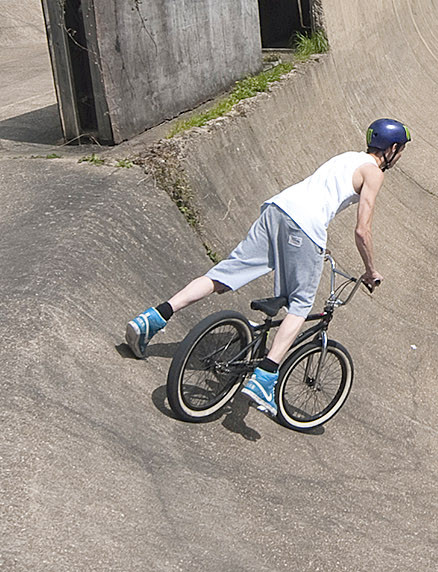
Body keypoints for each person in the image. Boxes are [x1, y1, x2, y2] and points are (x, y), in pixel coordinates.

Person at [124, 119, 410, 414]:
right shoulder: (373, 172)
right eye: (400, 151)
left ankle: (153, 318)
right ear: (393, 148)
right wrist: (370, 269)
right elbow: (363, 230)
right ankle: (265, 376)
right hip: (306, 228)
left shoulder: (347, 158)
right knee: (300, 305)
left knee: (223, 275)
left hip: (278, 210)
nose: (399, 156)